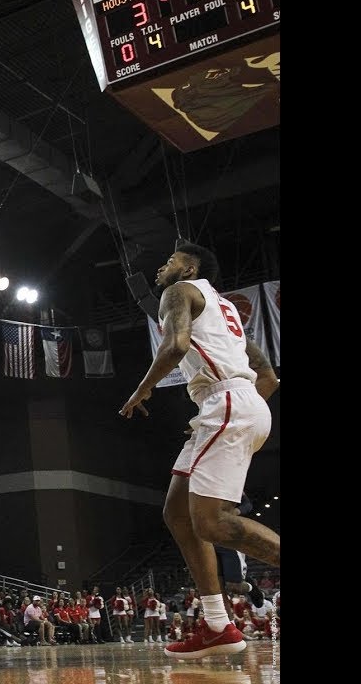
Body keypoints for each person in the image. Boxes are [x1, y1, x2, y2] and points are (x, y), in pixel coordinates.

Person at [118, 243, 279, 660]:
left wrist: (143, 388)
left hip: (225, 404)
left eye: (168, 260)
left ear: (189, 267)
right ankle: (216, 624)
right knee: (177, 513)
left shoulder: (181, 290)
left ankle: (217, 624)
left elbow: (174, 345)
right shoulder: (229, 315)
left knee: (211, 523)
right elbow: (268, 376)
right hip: (236, 404)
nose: (161, 267)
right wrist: (246, 408)